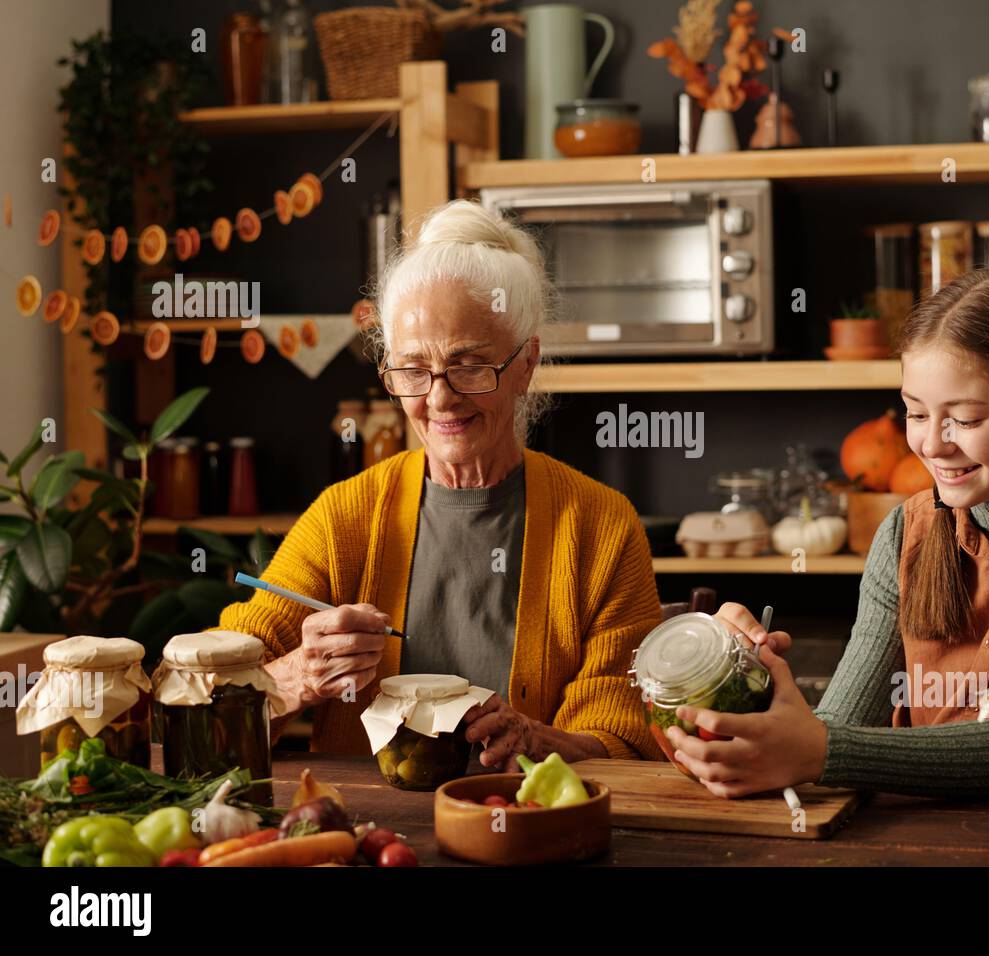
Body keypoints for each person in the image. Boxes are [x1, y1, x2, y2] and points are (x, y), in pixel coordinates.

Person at [666, 268, 989, 797]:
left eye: (966, 419)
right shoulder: (903, 531)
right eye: (915, 413)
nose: (932, 444)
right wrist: (747, 684)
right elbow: (840, 722)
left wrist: (821, 750)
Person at [218, 200, 663, 767]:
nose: (438, 397)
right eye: (411, 369)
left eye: (469, 364)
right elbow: (209, 702)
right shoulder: (345, 518)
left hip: (535, 831)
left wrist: (535, 741)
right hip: (368, 841)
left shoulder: (600, 526)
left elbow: (623, 743)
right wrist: (297, 677)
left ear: (526, 363)